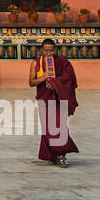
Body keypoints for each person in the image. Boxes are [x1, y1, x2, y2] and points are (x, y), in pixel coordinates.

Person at [29, 38, 79, 166]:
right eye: (46, 51)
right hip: (44, 100)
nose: (49, 53)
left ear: (55, 50)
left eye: (51, 51)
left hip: (58, 99)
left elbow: (69, 76)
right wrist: (43, 78)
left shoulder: (62, 62)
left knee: (60, 126)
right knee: (48, 128)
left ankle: (61, 155)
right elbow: (31, 82)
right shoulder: (36, 63)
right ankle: (53, 155)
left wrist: (55, 83)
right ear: (42, 50)